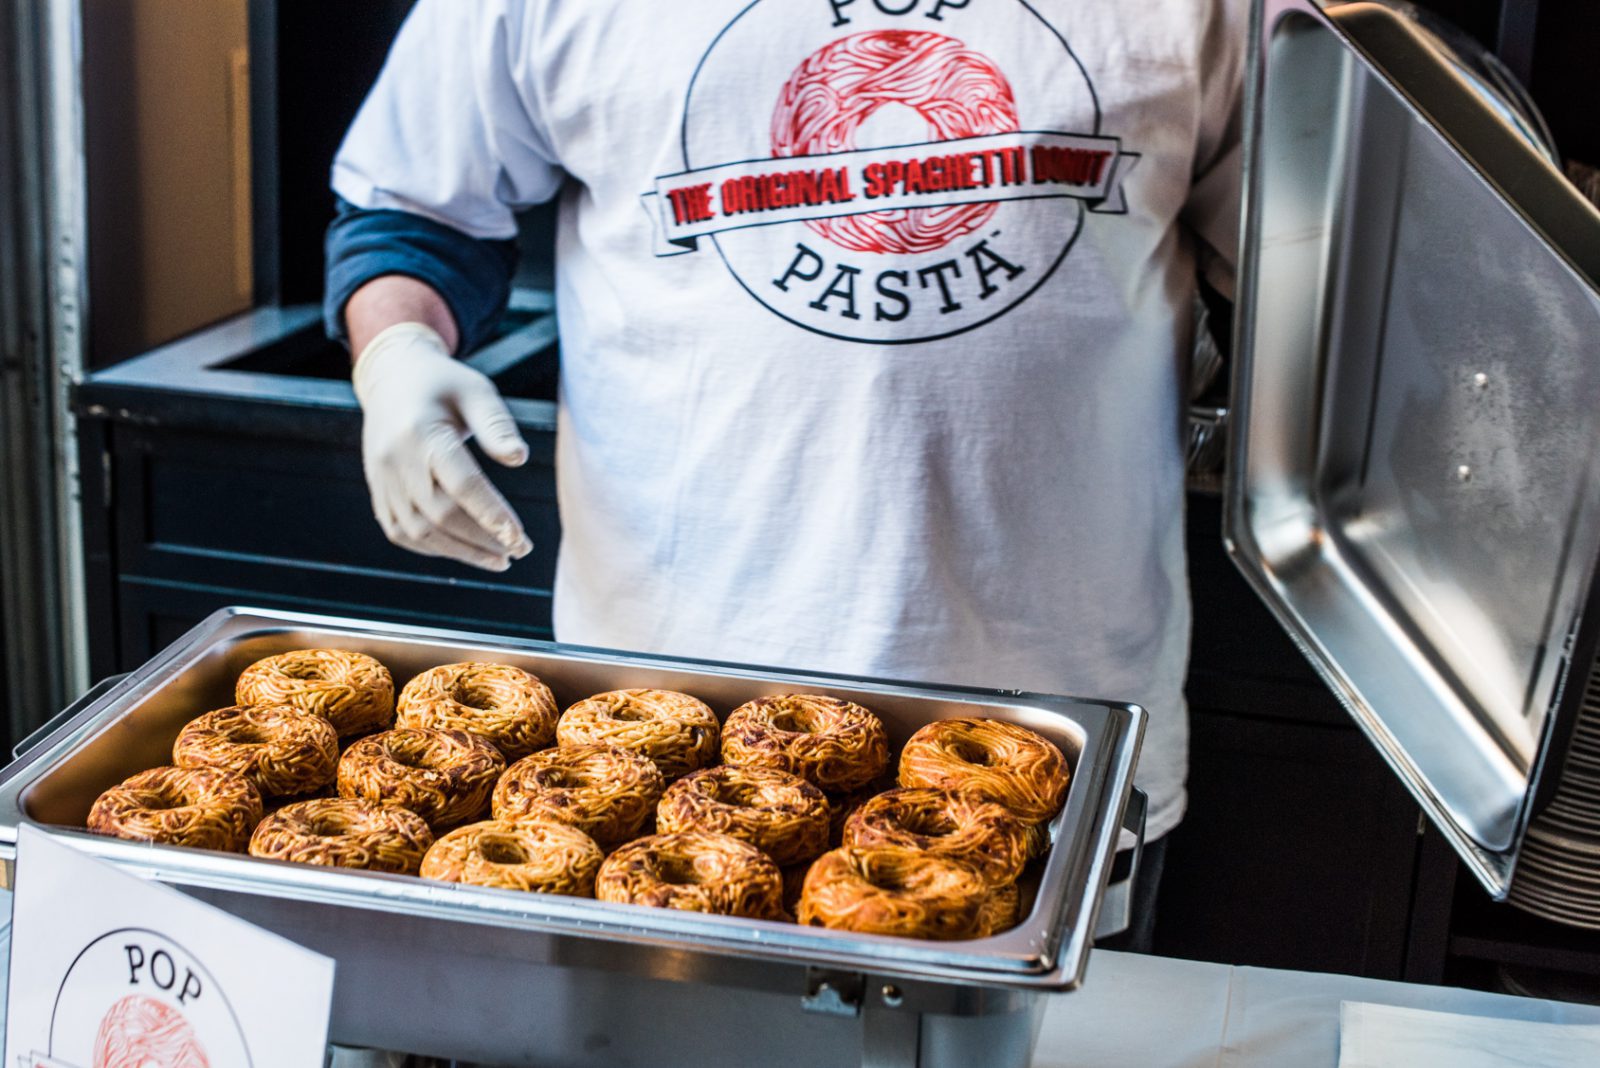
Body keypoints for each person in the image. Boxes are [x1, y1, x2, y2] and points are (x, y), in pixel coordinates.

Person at [325, 0, 1247, 950]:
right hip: (658, 741)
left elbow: (1300, 266)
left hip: (1056, 731)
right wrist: (395, 350)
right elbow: (417, 213)